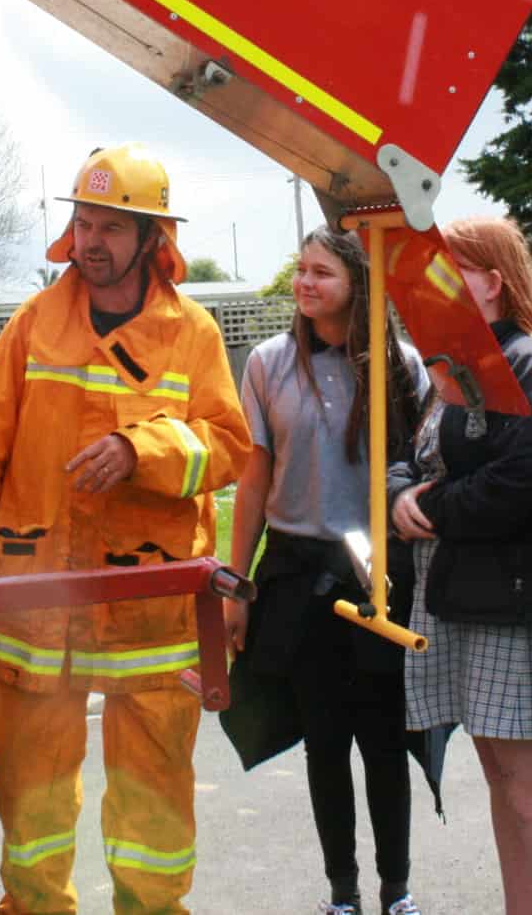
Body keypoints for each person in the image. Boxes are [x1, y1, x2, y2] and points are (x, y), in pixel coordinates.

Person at [0, 142, 251, 915]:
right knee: (30, 806)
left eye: (111, 226)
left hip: (152, 609)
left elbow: (229, 446)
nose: (92, 241)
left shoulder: (193, 332)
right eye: (83, 222)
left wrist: (143, 449)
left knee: (154, 809)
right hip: (39, 606)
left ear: (152, 240)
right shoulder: (35, 325)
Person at [389, 216, 532, 915]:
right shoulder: (454, 364)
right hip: (459, 600)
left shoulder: (529, 363)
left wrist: (432, 508)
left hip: (515, 609)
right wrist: (396, 498)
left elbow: (524, 477)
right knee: (503, 782)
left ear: (493, 282)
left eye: (452, 270)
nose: (432, 285)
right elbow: (408, 460)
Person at [226, 226, 428, 915]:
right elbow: (253, 484)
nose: (306, 284)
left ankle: (397, 892)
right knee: (324, 742)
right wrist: (237, 584)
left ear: (357, 287)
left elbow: (423, 476)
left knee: (385, 741)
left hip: (378, 574)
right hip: (296, 574)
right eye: (301, 271)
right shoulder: (268, 363)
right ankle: (342, 895)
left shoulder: (402, 367)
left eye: (322, 273)